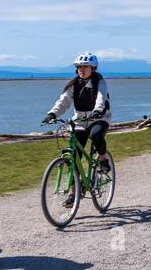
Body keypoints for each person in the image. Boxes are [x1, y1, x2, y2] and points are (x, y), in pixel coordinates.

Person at [44, 53, 113, 205]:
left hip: (99, 118)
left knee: (96, 136)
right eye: (79, 67)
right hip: (80, 121)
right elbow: (64, 102)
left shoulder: (100, 82)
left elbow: (101, 98)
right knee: (73, 157)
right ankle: (74, 194)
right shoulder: (73, 85)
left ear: (93, 68)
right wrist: (52, 113)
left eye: (85, 67)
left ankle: (103, 160)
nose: (82, 69)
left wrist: (97, 110)